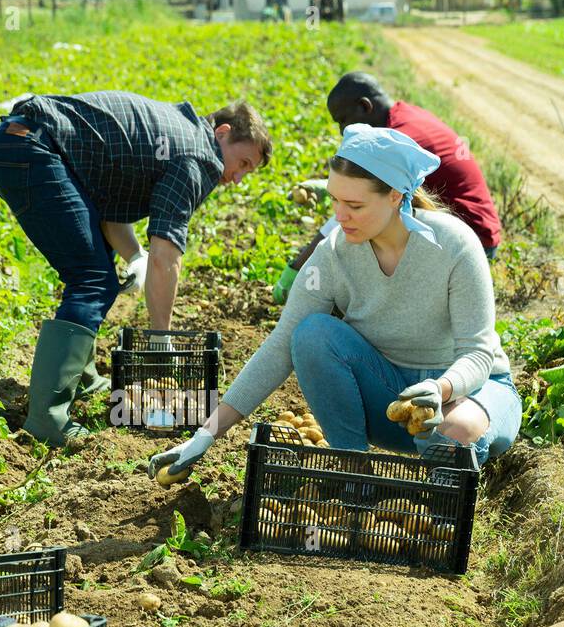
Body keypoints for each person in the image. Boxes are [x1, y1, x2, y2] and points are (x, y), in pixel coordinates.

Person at [149, 125, 521, 484]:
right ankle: (353, 474)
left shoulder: (453, 245)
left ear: (395, 196)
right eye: (335, 201)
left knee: (453, 430)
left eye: (354, 205)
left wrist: (440, 390)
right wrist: (205, 435)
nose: (339, 218)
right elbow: (280, 346)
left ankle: (446, 484)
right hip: (392, 400)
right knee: (311, 334)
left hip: (469, 392)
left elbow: (477, 353)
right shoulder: (333, 255)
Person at [0, 91, 272, 446]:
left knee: (96, 268)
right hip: (33, 149)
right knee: (91, 278)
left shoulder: (182, 131)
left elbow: (109, 214)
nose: (238, 177)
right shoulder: (199, 157)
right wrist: (161, 338)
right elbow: (166, 255)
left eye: (248, 172)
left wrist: (135, 256)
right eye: (242, 163)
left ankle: (82, 377)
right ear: (222, 132)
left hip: (20, 141)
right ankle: (46, 418)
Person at [272, 72, 502, 303]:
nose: (342, 131)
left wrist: (300, 266)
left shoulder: (403, 140)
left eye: (343, 120)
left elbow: (356, 206)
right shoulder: (403, 117)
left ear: (364, 107)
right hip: (463, 230)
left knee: (364, 230)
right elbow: (369, 187)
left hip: (471, 242)